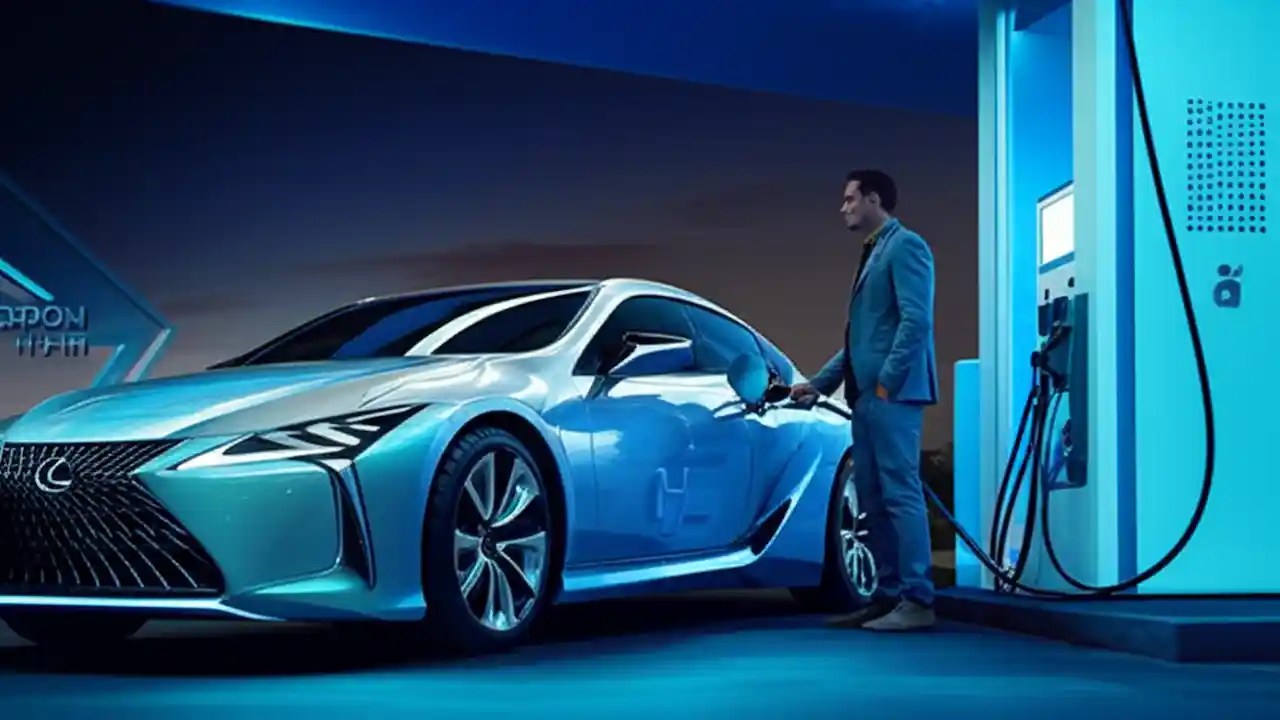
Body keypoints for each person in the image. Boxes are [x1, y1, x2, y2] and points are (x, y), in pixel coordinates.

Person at [790, 169, 939, 631]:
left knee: (900, 494)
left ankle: (917, 600)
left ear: (874, 199)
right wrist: (818, 382)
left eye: (850, 199)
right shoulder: (874, 252)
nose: (844, 207)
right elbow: (861, 339)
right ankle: (887, 595)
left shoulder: (906, 246)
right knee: (873, 498)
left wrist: (887, 382)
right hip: (866, 398)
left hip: (890, 397)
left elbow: (916, 322)